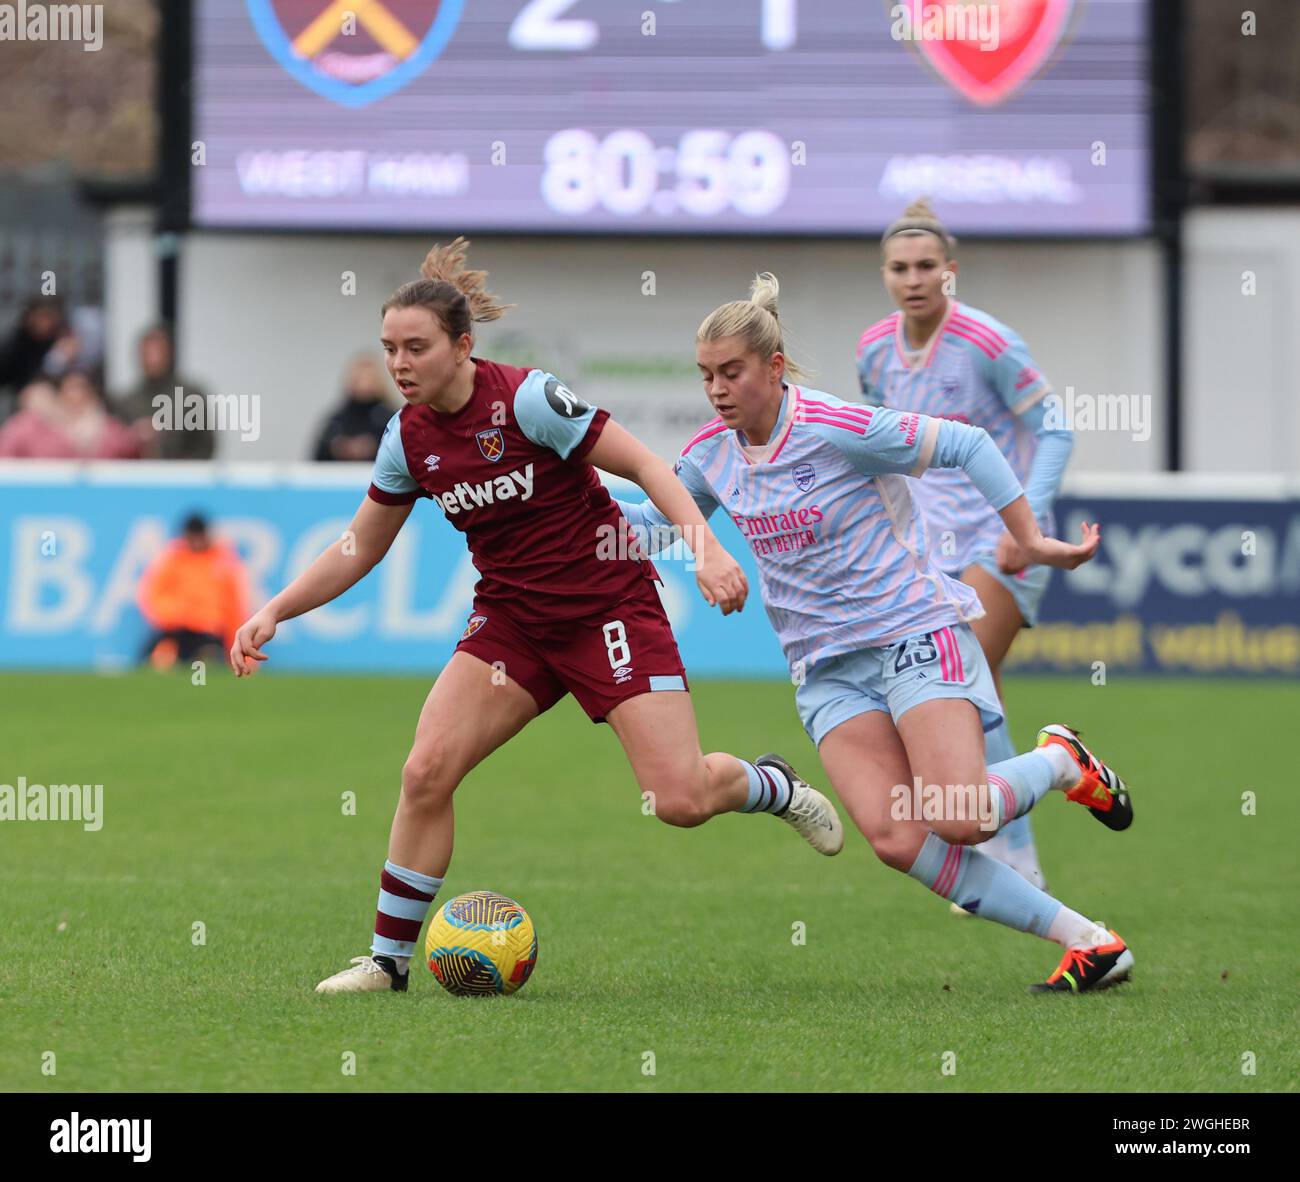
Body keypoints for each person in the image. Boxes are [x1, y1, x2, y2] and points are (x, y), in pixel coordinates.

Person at [227, 239, 843, 996]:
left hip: (609, 608)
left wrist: (706, 552)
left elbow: (648, 466)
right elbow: (360, 546)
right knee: (425, 771)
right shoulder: (408, 438)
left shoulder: (527, 400)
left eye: (416, 347)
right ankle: (386, 964)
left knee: (679, 800)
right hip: (513, 624)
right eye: (389, 348)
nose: (400, 364)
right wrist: (276, 610)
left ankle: (771, 785)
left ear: (463, 346)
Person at [617, 274, 1135, 993]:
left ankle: (1059, 761)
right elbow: (652, 522)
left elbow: (970, 443)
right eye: (706, 375)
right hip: (824, 668)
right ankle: (1089, 940)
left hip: (911, 633)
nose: (716, 389)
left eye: (730, 372)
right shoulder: (711, 453)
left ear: (772, 367)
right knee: (896, 839)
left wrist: (1030, 536)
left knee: (960, 815)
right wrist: (559, 490)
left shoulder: (839, 428)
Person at [857, 198, 1073, 907]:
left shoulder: (987, 342)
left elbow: (1056, 429)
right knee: (980, 697)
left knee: (966, 671)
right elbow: (881, 450)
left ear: (951, 272)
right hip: (925, 553)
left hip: (999, 539)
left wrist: (1026, 524)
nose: (913, 279)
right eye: (899, 268)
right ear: (884, 274)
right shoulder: (874, 351)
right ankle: (1023, 846)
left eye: (927, 267)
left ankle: (1026, 841)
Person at [137, 514, 250, 669]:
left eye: (200, 537)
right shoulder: (171, 559)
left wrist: (244, 653)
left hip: (208, 631)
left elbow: (234, 607)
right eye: (192, 537)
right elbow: (153, 596)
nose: (196, 542)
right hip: (174, 628)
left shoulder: (223, 561)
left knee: (205, 670)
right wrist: (179, 614)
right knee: (153, 661)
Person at [114, 324, 215, 459]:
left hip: (182, 476)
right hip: (137, 477)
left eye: (158, 351)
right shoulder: (126, 402)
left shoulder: (191, 397)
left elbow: (205, 446)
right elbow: (116, 449)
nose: (153, 359)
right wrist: (134, 437)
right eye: (148, 353)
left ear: (170, 353)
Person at [0, 370, 138, 459]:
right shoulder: (36, 424)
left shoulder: (107, 426)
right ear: (59, 393)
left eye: (82, 388)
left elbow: (129, 451)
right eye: (71, 388)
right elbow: (6, 448)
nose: (76, 395)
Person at [311, 353, 394, 461]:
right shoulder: (336, 421)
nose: (364, 384)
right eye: (360, 378)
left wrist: (375, 447)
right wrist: (337, 448)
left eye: (368, 378)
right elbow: (316, 460)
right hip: (339, 476)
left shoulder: (391, 420)